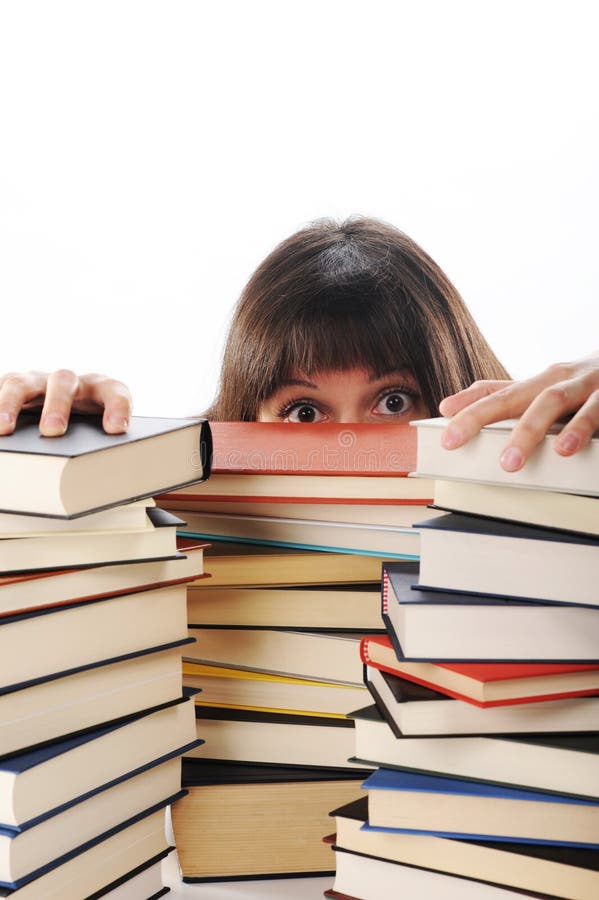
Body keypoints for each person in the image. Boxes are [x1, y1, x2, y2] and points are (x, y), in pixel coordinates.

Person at [0, 217, 597, 471]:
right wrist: (55, 443)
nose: (349, 449)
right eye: (304, 412)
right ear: (243, 418)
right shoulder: (181, 542)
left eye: (393, 401)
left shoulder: (547, 487)